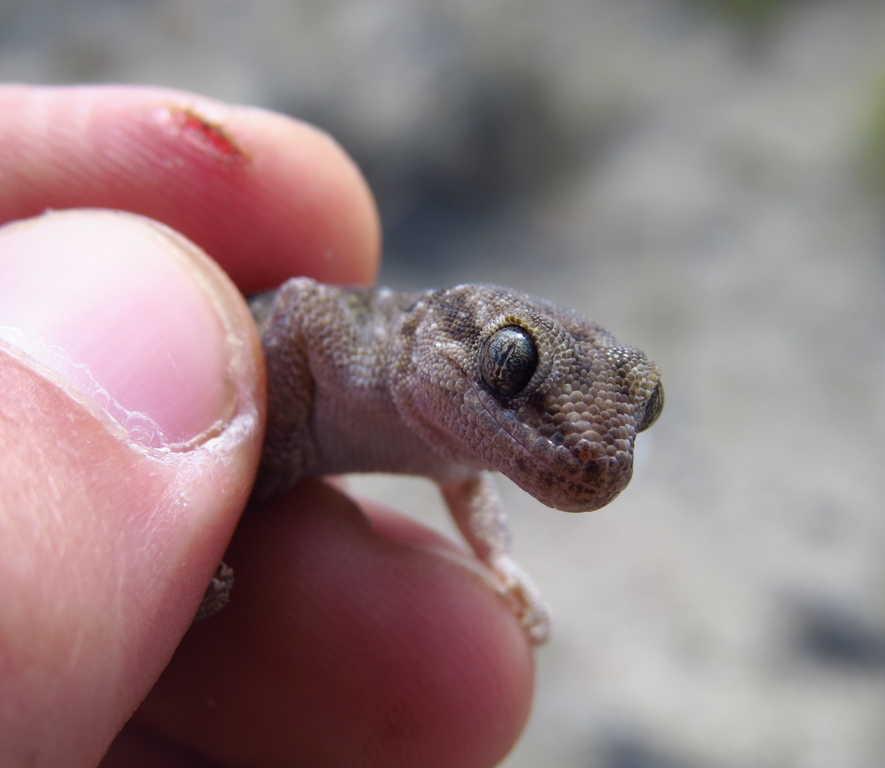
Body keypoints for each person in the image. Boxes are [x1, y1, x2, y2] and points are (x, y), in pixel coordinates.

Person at [0, 84, 533, 768]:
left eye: (643, 410)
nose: (595, 457)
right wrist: (270, 454)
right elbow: (303, 310)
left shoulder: (458, 435)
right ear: (437, 338)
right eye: (514, 366)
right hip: (184, 388)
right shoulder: (367, 350)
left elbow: (465, 481)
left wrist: (500, 562)